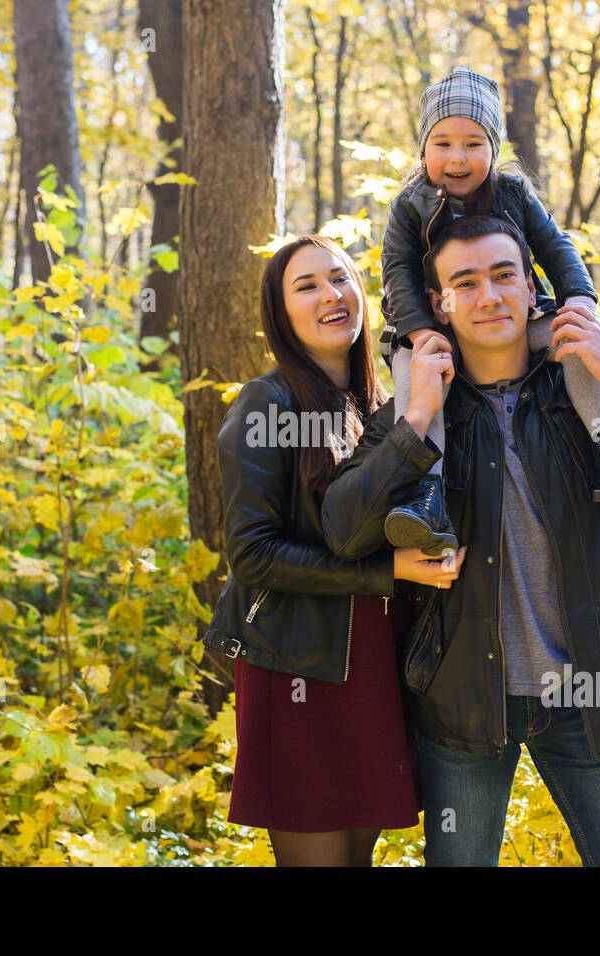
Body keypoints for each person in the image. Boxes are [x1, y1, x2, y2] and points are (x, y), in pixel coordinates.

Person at [322, 215, 600, 866]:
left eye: (504, 274)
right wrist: (417, 416)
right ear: (440, 304)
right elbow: (342, 530)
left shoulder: (583, 393)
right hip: (462, 705)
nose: (488, 296)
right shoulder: (417, 409)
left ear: (532, 286)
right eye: (466, 281)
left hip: (587, 695)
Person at [203, 235, 468, 867]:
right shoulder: (266, 403)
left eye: (340, 277)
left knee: (356, 858)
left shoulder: (379, 406)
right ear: (281, 314)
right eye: (307, 286)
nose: (331, 295)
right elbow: (251, 555)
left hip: (374, 663)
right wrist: (388, 571)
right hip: (297, 664)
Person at [379, 64, 600, 557]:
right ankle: (425, 490)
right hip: (436, 328)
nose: (458, 157)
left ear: (493, 150)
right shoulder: (409, 206)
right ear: (424, 149)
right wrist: (415, 330)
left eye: (474, 143)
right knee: (419, 377)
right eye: (443, 143)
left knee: (574, 337)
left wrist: (579, 298)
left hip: (517, 323)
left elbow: (556, 248)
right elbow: (398, 273)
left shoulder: (514, 194)